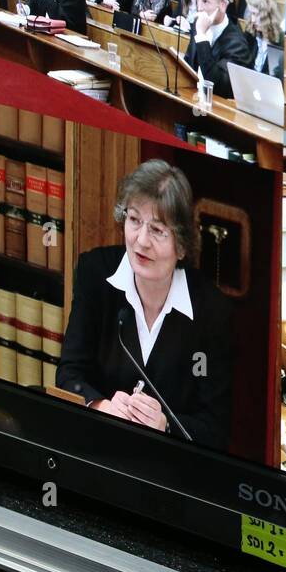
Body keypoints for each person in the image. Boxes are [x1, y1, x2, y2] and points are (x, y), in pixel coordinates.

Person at [57, 161, 233, 450]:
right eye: (134, 220)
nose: (141, 241)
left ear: (183, 245)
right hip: (98, 449)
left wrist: (165, 425)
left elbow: (215, 429)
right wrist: (100, 406)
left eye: (158, 230)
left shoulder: (212, 312)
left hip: (168, 470)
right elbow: (69, 374)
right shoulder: (95, 273)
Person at [185, 0, 251, 99]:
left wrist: (202, 37)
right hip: (192, 100)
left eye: (205, 1)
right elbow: (189, 65)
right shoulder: (198, 25)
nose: (199, 8)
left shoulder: (237, 44)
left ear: (222, 5)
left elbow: (217, 85)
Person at [242, 0, 285, 80]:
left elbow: (276, 78)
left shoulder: (282, 42)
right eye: (251, 14)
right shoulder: (250, 33)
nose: (253, 20)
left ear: (267, 14)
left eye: (256, 14)